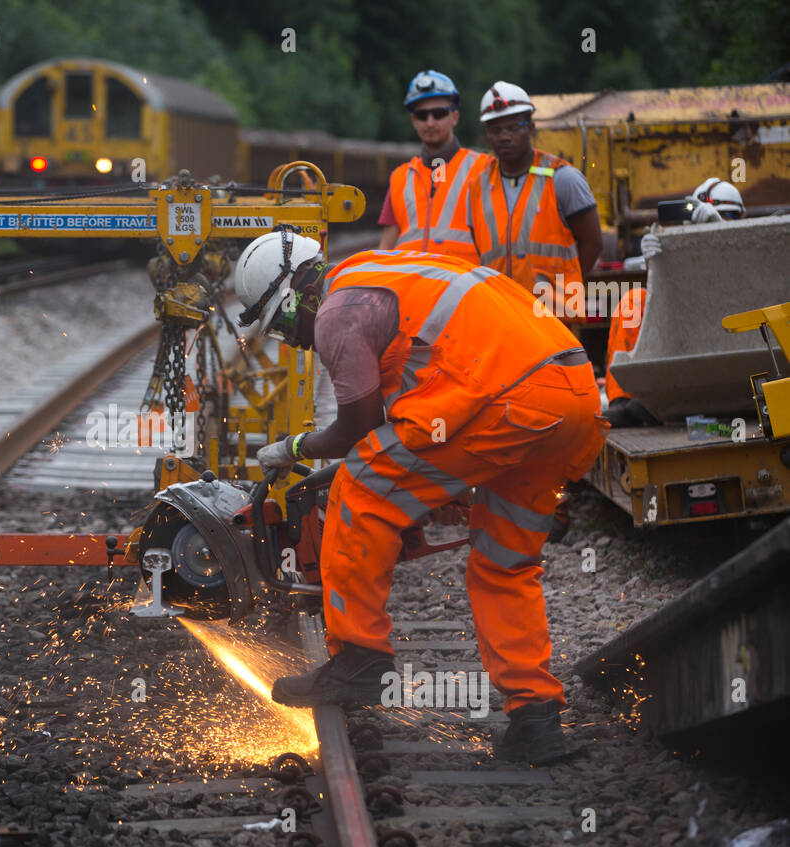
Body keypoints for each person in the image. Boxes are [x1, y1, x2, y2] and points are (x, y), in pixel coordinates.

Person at [234, 228, 608, 764]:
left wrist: (293, 448)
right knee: (505, 566)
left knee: (358, 490)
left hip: (504, 401)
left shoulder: (339, 311)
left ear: (294, 291)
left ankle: (359, 658)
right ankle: (537, 721)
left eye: (285, 326)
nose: (294, 341)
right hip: (571, 402)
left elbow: (358, 426)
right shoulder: (380, 272)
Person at [604, 178, 746, 426]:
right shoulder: (687, 244)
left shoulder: (752, 245)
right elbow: (671, 295)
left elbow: (736, 284)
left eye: (727, 216)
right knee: (634, 302)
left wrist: (718, 231)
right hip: (687, 340)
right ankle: (624, 404)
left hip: (729, 338)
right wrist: (657, 262)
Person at [466, 82, 602, 323]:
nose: (504, 137)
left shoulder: (563, 179)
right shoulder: (478, 188)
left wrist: (561, 293)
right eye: (495, 130)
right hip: (501, 319)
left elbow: (592, 243)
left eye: (512, 127)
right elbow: (483, 250)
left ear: (530, 127)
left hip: (554, 320)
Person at [378, 70, 485, 262]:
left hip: (462, 287)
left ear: (455, 117)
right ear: (413, 121)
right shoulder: (400, 178)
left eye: (438, 114)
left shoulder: (482, 170)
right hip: (410, 288)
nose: (430, 122)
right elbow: (385, 249)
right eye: (422, 115)